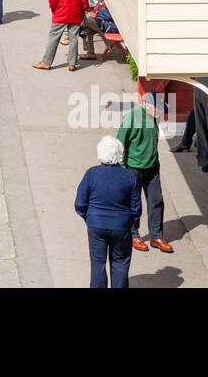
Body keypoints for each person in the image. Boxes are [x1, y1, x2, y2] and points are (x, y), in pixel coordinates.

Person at [75, 135, 140, 288]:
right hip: (122, 227)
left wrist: (89, 217)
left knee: (97, 264)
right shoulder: (129, 177)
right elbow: (136, 209)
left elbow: (80, 203)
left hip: (96, 225)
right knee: (120, 263)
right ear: (120, 154)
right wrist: (129, 223)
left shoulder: (92, 174)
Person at [118, 94, 174, 254]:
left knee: (157, 201)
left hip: (152, 167)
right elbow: (120, 142)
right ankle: (134, 234)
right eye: (156, 108)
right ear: (145, 104)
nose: (159, 112)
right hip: (132, 167)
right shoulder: (131, 118)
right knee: (135, 204)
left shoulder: (154, 117)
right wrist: (122, 168)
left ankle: (156, 236)